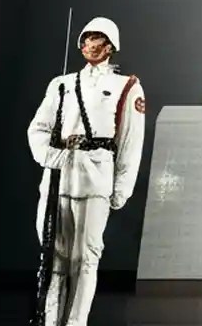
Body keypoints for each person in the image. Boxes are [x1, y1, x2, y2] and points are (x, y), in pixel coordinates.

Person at [26, 16, 147, 326]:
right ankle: (49, 319)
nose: (91, 44)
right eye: (87, 38)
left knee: (86, 259)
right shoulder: (62, 84)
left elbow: (131, 142)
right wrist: (50, 156)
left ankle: (76, 322)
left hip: (96, 177)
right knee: (53, 258)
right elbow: (38, 128)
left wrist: (122, 188)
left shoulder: (126, 87)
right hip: (59, 175)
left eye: (99, 38)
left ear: (110, 46)